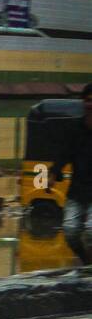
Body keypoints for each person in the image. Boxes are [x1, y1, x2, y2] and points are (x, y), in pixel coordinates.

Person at [52, 82, 92, 264]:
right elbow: (64, 153)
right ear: (84, 102)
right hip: (77, 190)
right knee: (70, 230)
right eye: (88, 100)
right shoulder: (76, 129)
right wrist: (54, 172)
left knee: (91, 231)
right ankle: (86, 262)